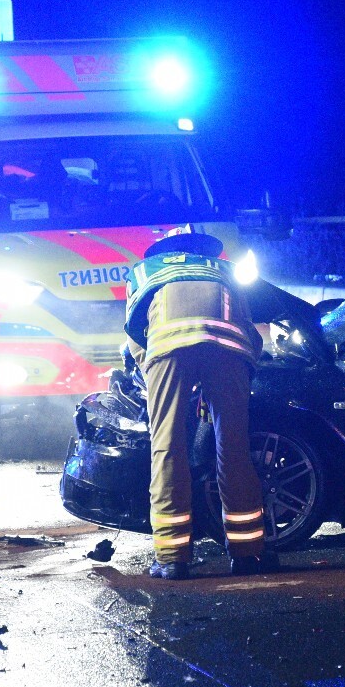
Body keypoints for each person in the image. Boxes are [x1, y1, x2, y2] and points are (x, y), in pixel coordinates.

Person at [124, 230, 271, 579]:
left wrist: (154, 378)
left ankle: (173, 558)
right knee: (232, 446)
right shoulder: (223, 270)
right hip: (229, 351)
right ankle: (247, 553)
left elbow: (134, 334)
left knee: (167, 448)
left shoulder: (144, 272)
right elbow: (249, 332)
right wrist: (238, 377)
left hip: (168, 350)